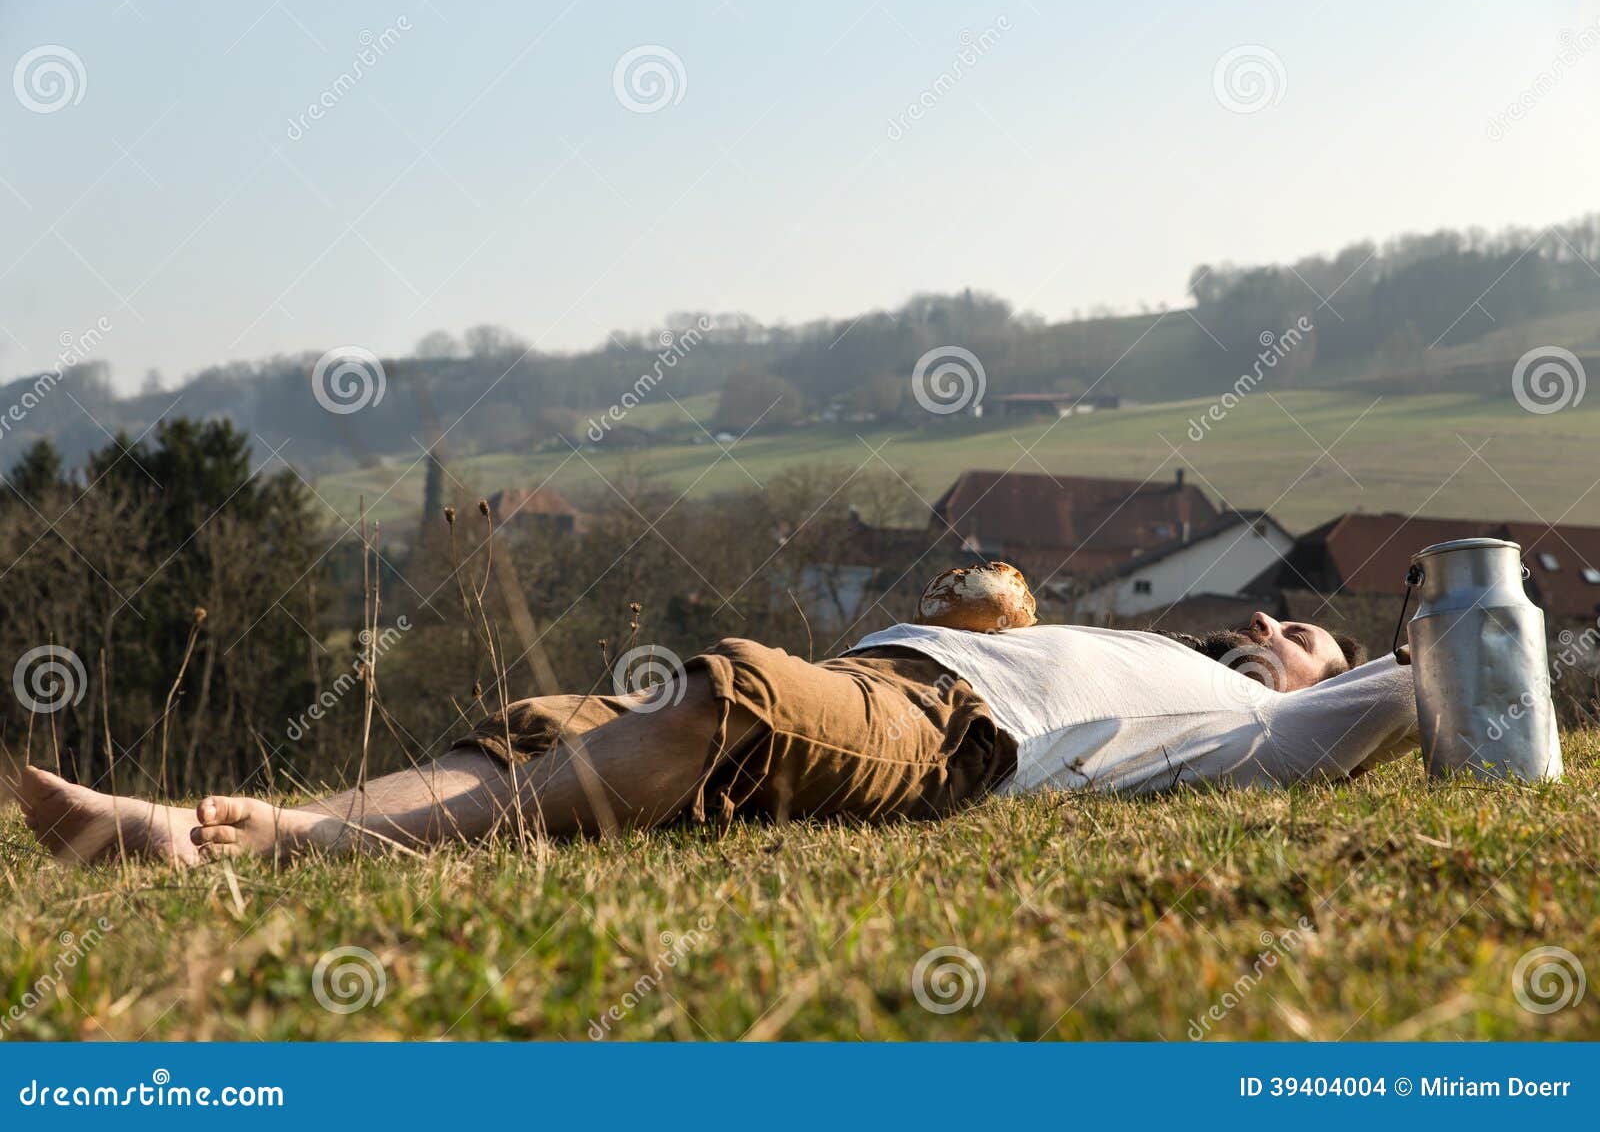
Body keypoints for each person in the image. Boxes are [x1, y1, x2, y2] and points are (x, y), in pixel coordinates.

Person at [12, 611, 1416, 867]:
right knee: (550, 726)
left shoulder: (1269, 721)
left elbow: (1420, 689)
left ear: (1328, 676)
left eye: (1301, 631)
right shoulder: (1165, 644)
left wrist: (1424, 649)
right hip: (883, 676)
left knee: (725, 692)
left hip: (956, 734)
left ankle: (311, 848)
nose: (1268, 624)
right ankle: (196, 831)